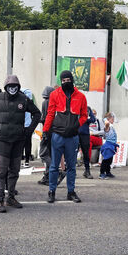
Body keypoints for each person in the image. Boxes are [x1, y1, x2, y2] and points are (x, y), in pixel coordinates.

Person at [0, 75, 40, 212]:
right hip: (3, 140)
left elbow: (37, 113)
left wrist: (29, 131)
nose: (12, 89)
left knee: (14, 171)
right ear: (5, 87)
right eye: (10, 86)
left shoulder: (23, 99)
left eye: (15, 86)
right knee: (1, 171)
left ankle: (10, 197)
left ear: (18, 87)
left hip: (18, 141)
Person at [43, 70, 87, 204]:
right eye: (63, 81)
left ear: (72, 80)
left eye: (68, 80)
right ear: (60, 81)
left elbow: (84, 115)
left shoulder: (81, 96)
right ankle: (52, 191)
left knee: (72, 166)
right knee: (54, 166)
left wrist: (76, 125)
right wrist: (45, 131)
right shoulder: (54, 94)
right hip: (57, 135)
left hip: (72, 137)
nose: (66, 82)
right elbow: (50, 114)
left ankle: (71, 192)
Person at [36, 86, 54, 186]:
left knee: (43, 154)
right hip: (54, 132)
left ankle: (53, 171)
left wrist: (37, 119)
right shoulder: (55, 102)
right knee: (50, 154)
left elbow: (45, 117)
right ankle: (48, 176)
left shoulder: (45, 102)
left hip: (47, 131)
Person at [78, 106, 97, 178]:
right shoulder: (74, 107)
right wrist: (85, 119)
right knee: (73, 153)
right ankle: (71, 171)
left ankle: (87, 170)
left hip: (85, 134)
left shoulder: (87, 108)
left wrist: (84, 119)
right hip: (75, 133)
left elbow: (93, 119)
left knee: (86, 153)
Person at [98, 112, 118, 179]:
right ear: (108, 119)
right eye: (112, 119)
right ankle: (102, 173)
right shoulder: (107, 126)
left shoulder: (111, 127)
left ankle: (108, 172)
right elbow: (106, 123)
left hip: (111, 145)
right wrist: (106, 119)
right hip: (108, 145)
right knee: (106, 160)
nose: (113, 120)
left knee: (109, 160)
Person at [21, 87, 37, 169]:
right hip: (28, 125)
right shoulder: (30, 101)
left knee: (21, 144)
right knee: (28, 144)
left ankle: (21, 160)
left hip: (22, 125)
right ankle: (27, 161)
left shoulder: (21, 101)